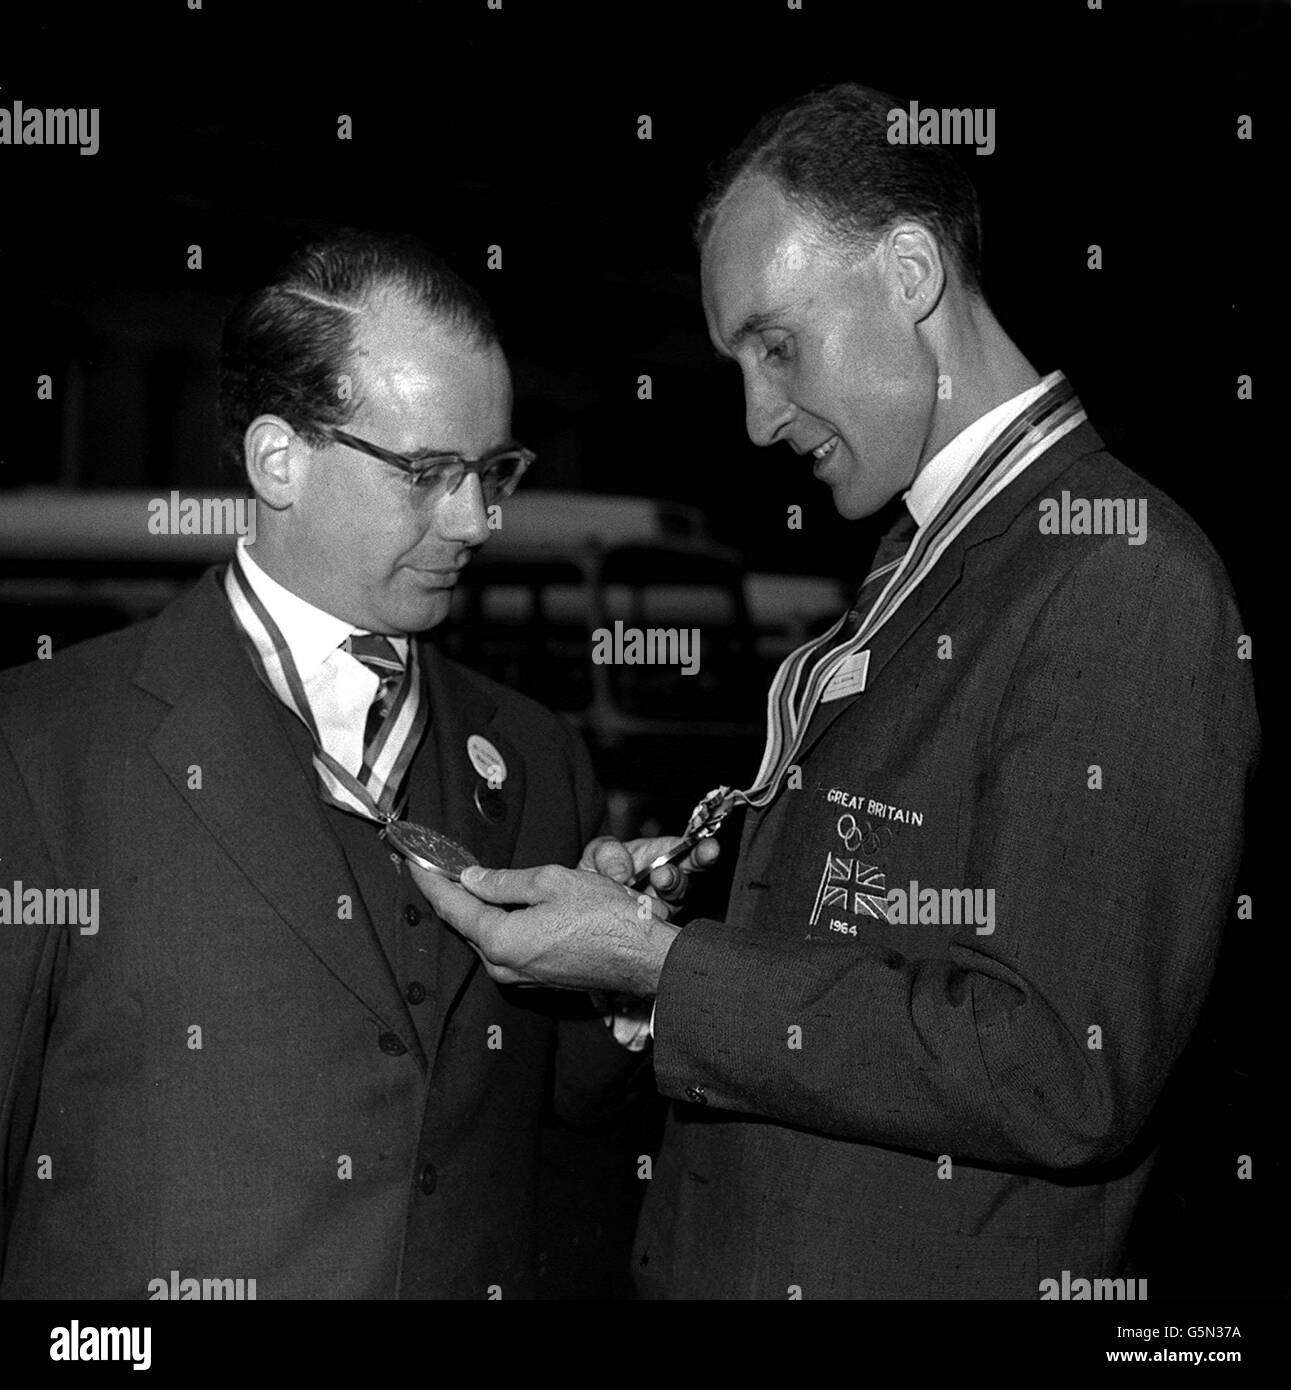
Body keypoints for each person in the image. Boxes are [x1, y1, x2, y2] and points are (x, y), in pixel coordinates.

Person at [415, 85, 1260, 1299]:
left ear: (911, 270)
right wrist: (647, 949)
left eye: (777, 345)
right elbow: (885, 964)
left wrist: (670, 968)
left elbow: (1056, 1069)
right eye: (738, 365)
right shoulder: (934, 562)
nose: (757, 417)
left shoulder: (1118, 573)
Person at [0, 230, 688, 1299]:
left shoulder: (537, 754)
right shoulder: (40, 745)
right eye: (428, 474)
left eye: (493, 469)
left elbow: (562, 1124)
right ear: (280, 460)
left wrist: (621, 981)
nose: (477, 519)